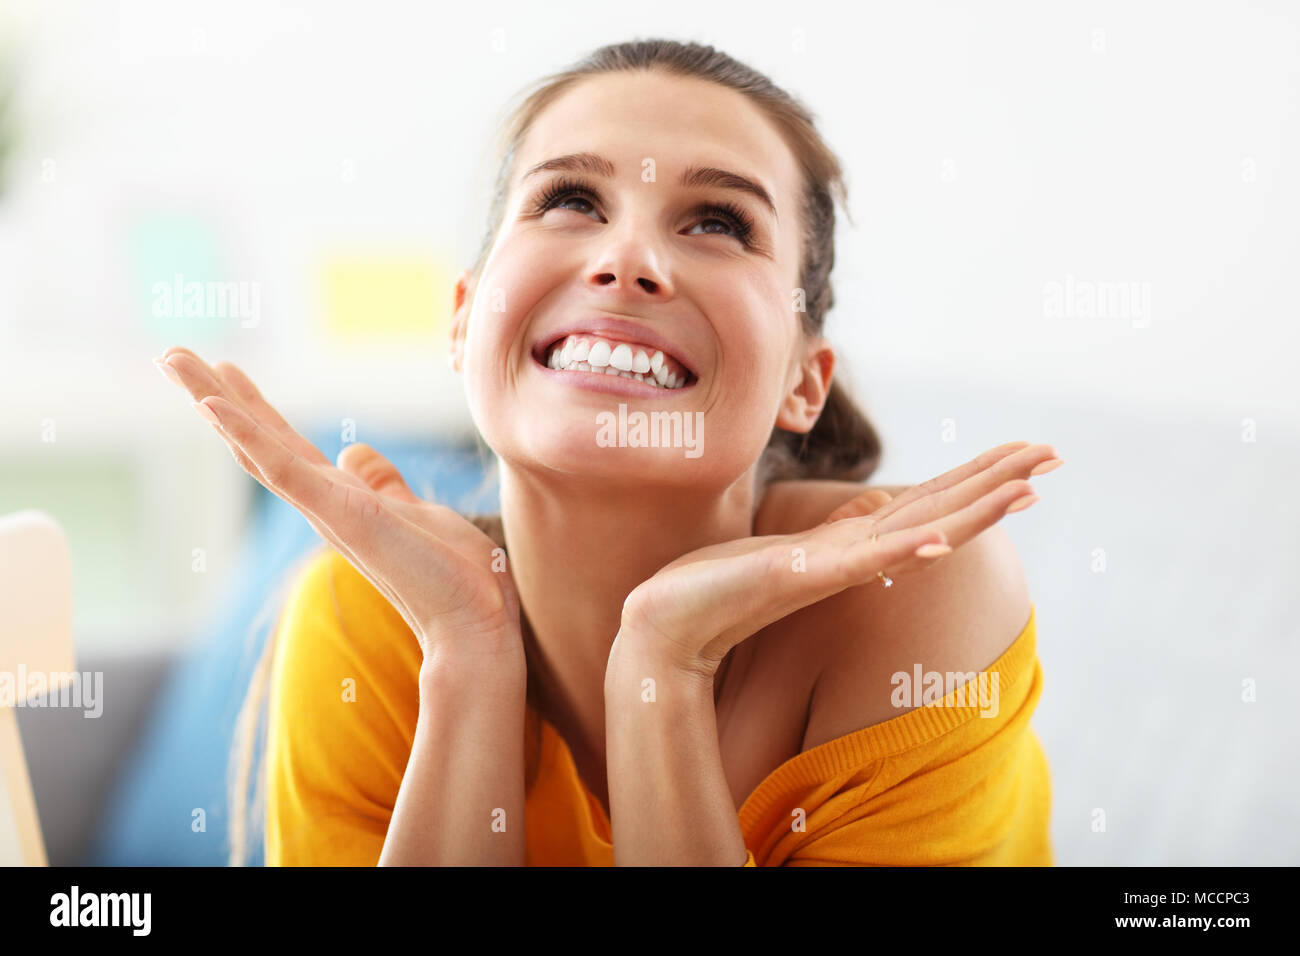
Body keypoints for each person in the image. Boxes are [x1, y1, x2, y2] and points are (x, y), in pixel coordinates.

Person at [155, 38, 1063, 866]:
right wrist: (465, 653)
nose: (627, 259)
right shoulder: (374, 617)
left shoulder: (917, 591)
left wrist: (662, 672)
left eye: (717, 221)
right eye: (571, 200)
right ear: (464, 320)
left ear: (804, 380)